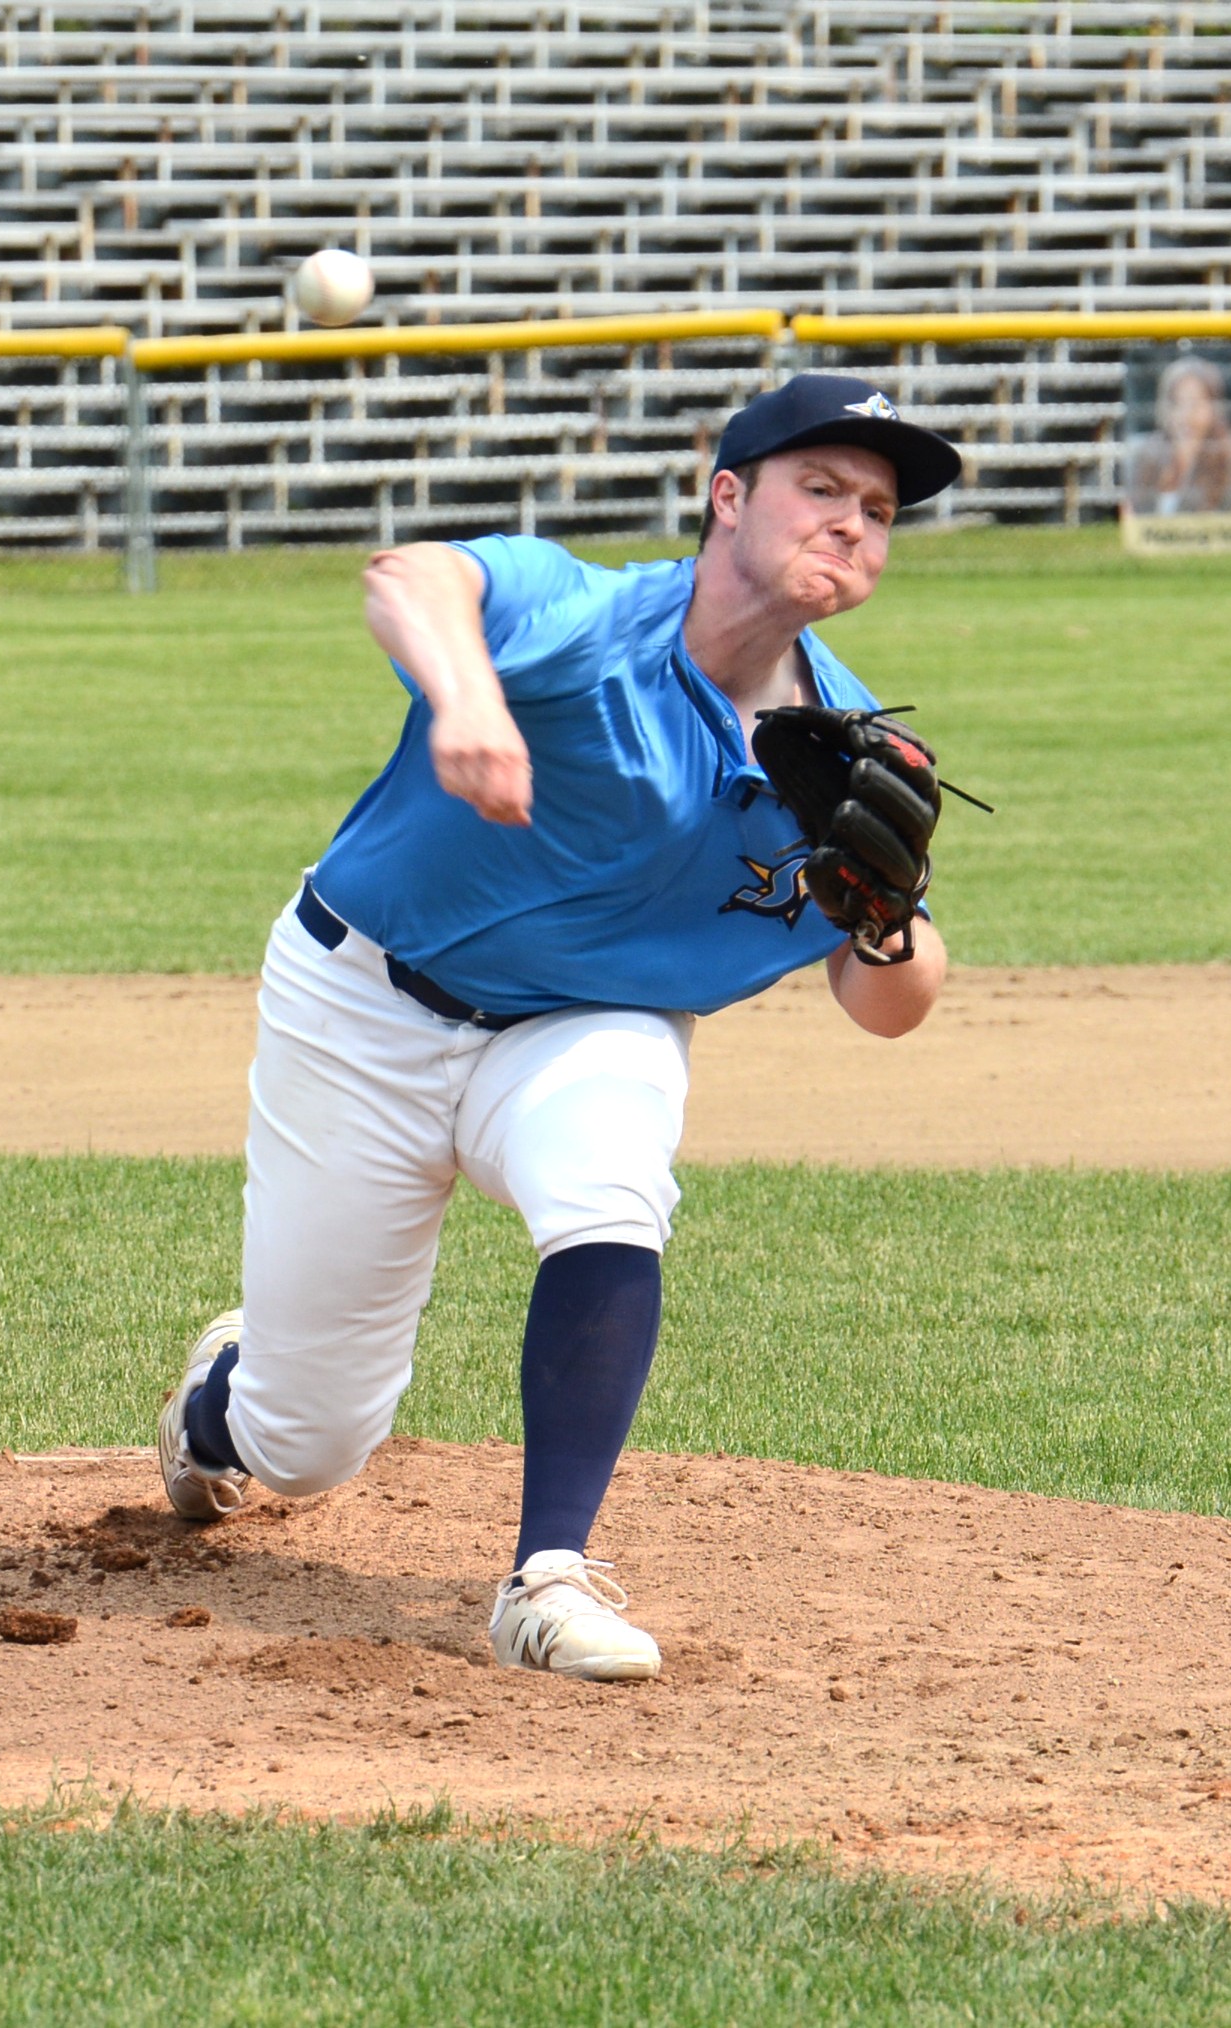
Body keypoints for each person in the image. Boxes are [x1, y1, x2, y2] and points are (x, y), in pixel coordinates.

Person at [158, 372, 961, 1683]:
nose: (849, 523)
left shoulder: (836, 751)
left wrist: (882, 915)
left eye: (875, 510)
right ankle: (217, 1411)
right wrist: (468, 697)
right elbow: (409, 579)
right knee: (306, 1446)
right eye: (819, 488)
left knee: (610, 1186)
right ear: (725, 497)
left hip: (587, 1024)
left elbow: (891, 1005)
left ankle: (547, 1579)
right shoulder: (589, 614)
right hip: (365, 1004)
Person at [1125, 353, 1231, 516]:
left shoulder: (1226, 459)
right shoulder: (1145, 455)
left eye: (1195, 403)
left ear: (1214, 407)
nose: (1185, 415)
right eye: (1177, 403)